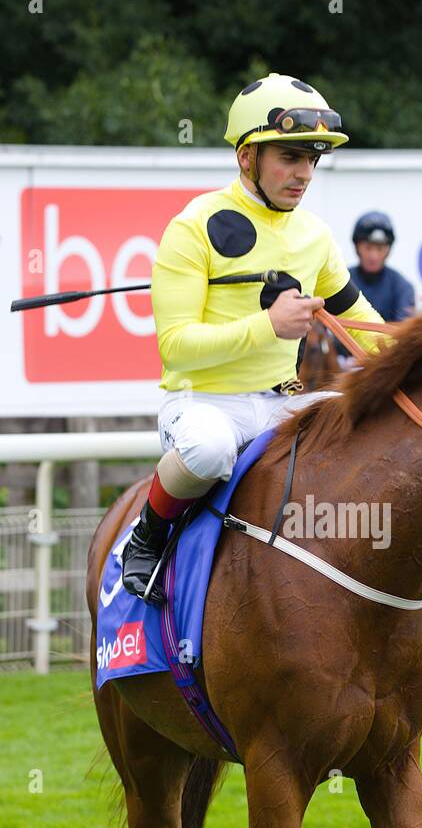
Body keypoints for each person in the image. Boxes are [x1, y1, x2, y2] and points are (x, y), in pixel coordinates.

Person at [121, 72, 385, 604]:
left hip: (281, 404)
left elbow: (363, 323)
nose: (304, 173)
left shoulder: (314, 235)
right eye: (290, 156)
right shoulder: (192, 226)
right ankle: (145, 538)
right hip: (203, 405)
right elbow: (176, 347)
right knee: (209, 450)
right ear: (247, 158)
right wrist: (267, 326)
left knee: (368, 429)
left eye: (312, 159)